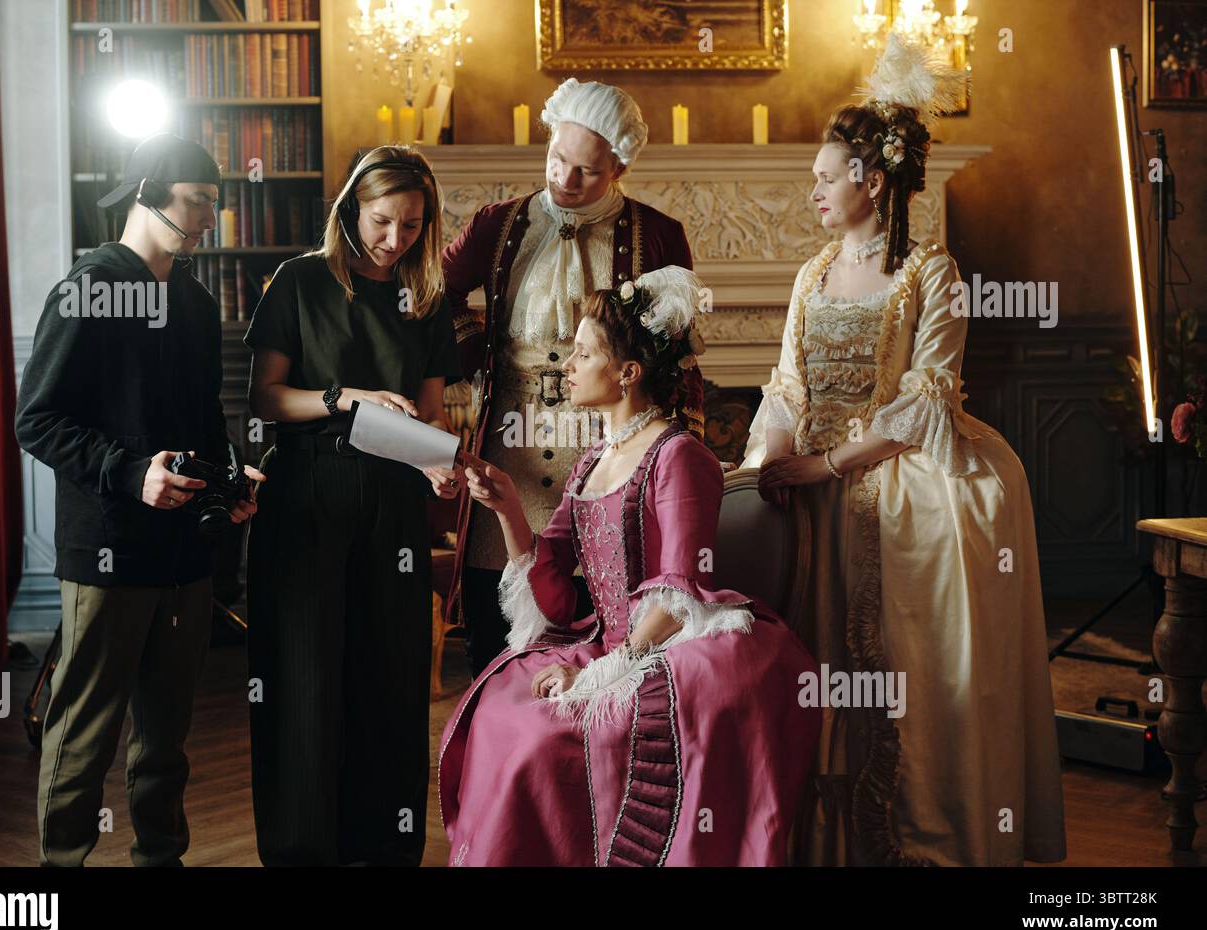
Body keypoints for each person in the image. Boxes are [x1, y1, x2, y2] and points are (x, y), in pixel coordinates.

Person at [740, 34, 1067, 866]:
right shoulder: (813, 274)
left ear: (871, 180)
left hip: (900, 482)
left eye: (824, 177)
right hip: (813, 487)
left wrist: (828, 464)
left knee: (910, 679)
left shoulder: (933, 272)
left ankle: (924, 840)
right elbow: (785, 384)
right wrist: (775, 460)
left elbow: (927, 398)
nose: (811, 190)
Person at [439, 267, 820, 866]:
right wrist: (511, 507)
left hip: (668, 643)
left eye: (583, 352)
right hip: (609, 639)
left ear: (627, 373)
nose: (568, 364)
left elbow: (675, 595)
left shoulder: (680, 455)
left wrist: (597, 677)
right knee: (500, 711)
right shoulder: (594, 459)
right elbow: (556, 584)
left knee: (542, 737)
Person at [15, 132, 259, 866]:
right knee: (83, 734)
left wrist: (229, 480)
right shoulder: (89, 286)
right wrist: (131, 474)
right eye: (199, 203)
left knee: (166, 737)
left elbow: (203, 418)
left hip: (186, 552)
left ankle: (162, 859)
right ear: (151, 191)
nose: (212, 220)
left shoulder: (191, 298)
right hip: (108, 551)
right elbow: (37, 419)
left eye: (216, 205)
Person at [243, 145, 463, 866]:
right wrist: (346, 396)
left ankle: (385, 846)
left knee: (393, 678)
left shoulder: (425, 299)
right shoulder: (300, 282)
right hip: (308, 494)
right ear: (350, 210)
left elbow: (432, 419)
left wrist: (441, 466)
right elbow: (265, 398)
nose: (394, 240)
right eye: (381, 222)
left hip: (395, 498)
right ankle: (302, 851)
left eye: (410, 227)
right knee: (303, 680)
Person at [443, 77, 698, 675]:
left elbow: (678, 355)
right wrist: (479, 349)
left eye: (587, 170)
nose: (565, 179)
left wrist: (676, 446)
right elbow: (437, 295)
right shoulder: (498, 224)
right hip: (513, 437)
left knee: (598, 596)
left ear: (618, 167)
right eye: (557, 158)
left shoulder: (657, 234)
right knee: (498, 610)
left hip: (607, 440)